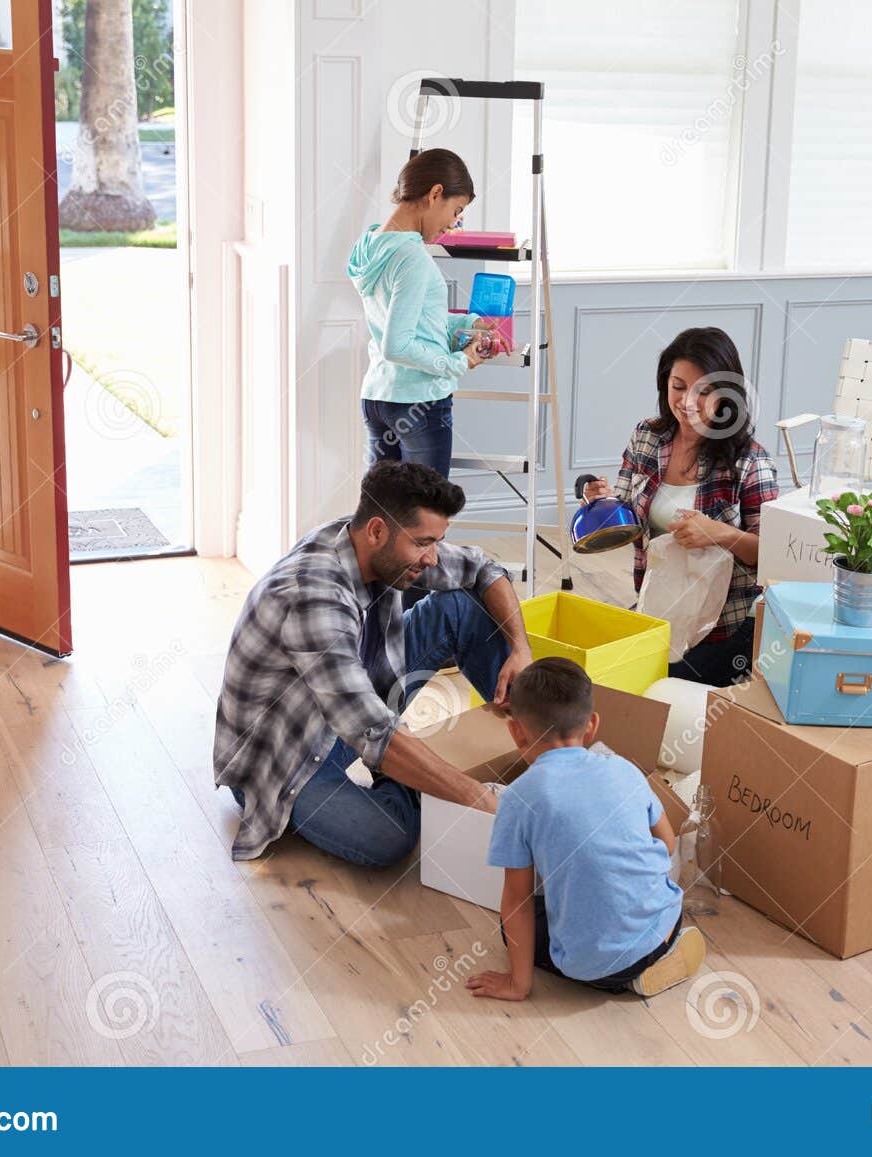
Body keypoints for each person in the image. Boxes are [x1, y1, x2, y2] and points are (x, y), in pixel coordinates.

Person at [213, 461, 534, 867]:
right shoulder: (312, 596)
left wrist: (520, 649)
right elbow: (369, 729)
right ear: (378, 530)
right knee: (387, 837)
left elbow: (484, 568)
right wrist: (481, 799)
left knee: (462, 602)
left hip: (354, 702)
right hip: (285, 757)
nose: (433, 558)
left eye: (437, 541)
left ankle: (543, 748)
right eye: (422, 543)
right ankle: (413, 770)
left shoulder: (374, 542)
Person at [465, 658, 706, 1000]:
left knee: (515, 925)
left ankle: (626, 980)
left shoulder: (519, 798)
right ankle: (662, 954)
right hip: (669, 919)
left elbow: (516, 900)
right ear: (592, 725)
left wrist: (517, 984)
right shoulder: (624, 769)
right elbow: (667, 843)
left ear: (515, 730)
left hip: (610, 964)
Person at [581, 327, 779, 686]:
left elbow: (773, 559)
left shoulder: (750, 461)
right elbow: (626, 517)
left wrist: (719, 533)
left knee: (663, 687)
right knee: (603, 676)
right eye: (678, 386)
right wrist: (602, 502)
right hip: (656, 607)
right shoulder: (647, 436)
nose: (688, 401)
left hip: (723, 624)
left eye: (704, 390)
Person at [347, 147, 493, 478]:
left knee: (382, 514)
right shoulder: (412, 257)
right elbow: (398, 345)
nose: (455, 223)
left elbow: (411, 321)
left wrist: (471, 323)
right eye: (457, 210)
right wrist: (460, 362)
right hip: (419, 401)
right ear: (435, 193)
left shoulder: (370, 246)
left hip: (378, 397)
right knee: (425, 516)